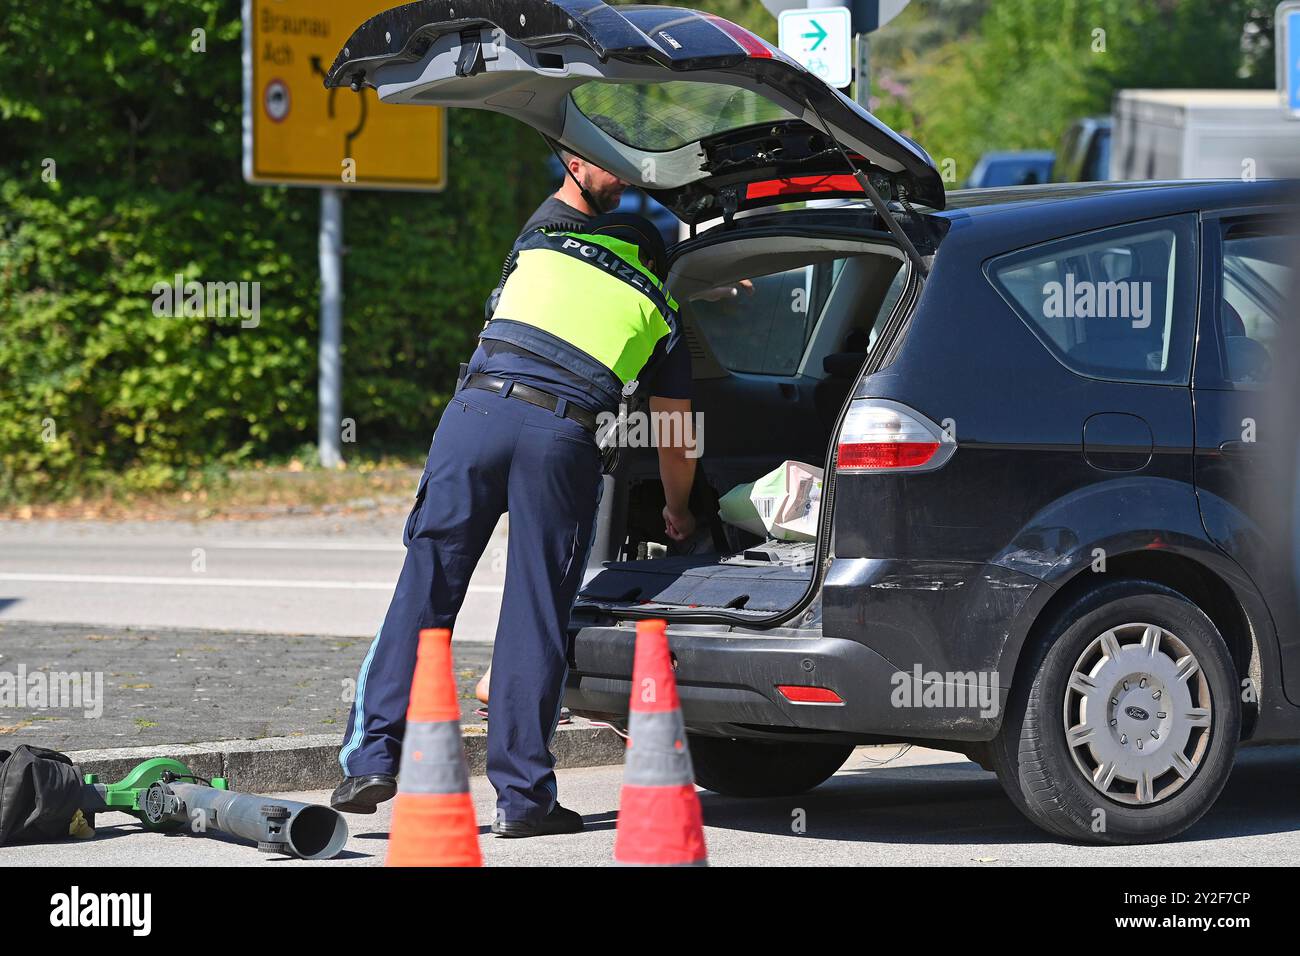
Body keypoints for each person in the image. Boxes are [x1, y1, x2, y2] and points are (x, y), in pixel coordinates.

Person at [331, 212, 697, 838]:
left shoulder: (538, 253)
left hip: (474, 413)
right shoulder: (660, 309)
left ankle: (370, 760)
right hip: (561, 436)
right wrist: (679, 508)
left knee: (424, 588)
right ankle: (524, 799)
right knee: (536, 611)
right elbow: (675, 433)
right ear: (656, 262)